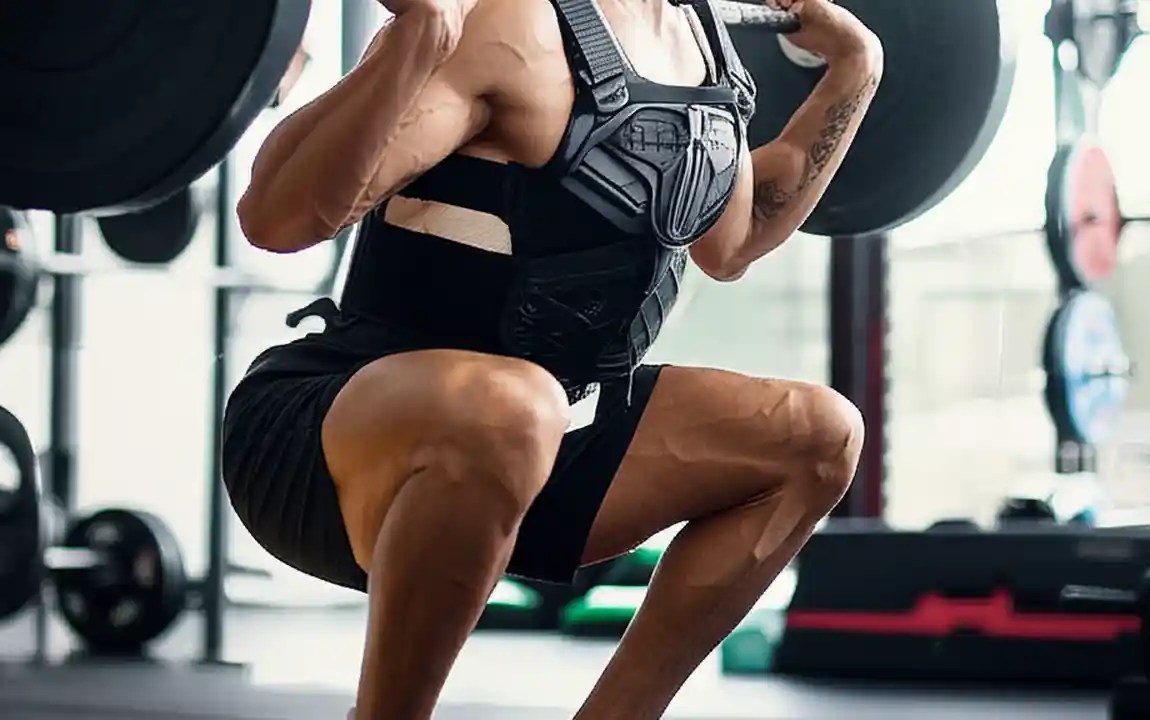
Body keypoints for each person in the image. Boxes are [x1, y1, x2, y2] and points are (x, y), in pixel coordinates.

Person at [225, 0, 881, 716]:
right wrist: (423, 29)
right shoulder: (512, 24)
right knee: (515, 407)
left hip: (542, 442)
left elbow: (735, 241)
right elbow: (277, 217)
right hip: (327, 444)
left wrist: (854, 71)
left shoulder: (704, 46)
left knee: (817, 435)